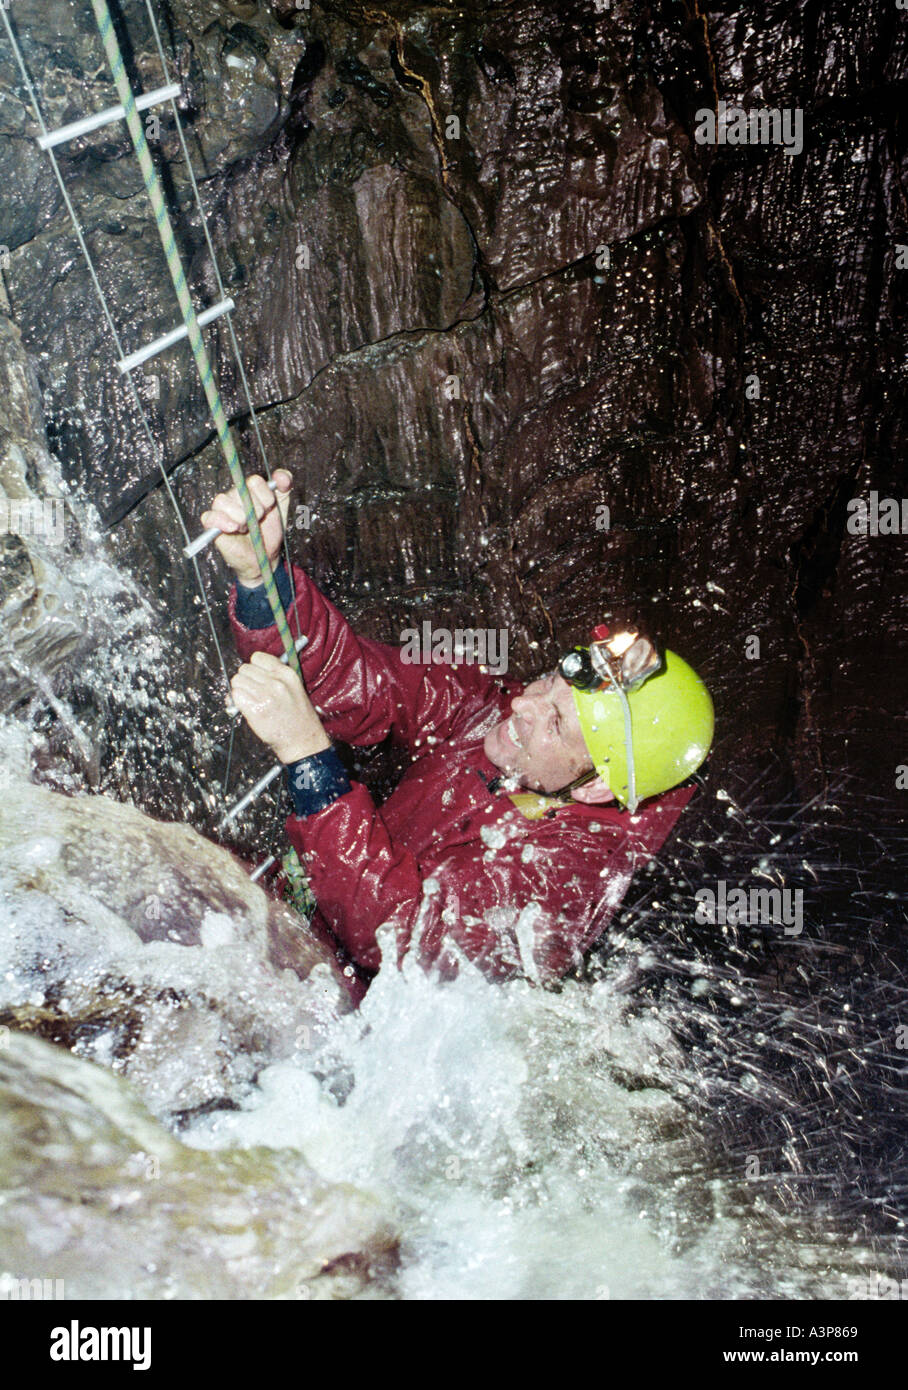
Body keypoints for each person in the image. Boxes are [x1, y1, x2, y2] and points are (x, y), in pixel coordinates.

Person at [202, 472, 714, 1001]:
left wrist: (311, 762)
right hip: (306, 921)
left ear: (593, 788)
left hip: (359, 1021)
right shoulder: (489, 710)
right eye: (549, 682)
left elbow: (400, 941)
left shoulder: (563, 885)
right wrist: (263, 579)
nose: (522, 704)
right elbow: (353, 681)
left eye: (557, 722)